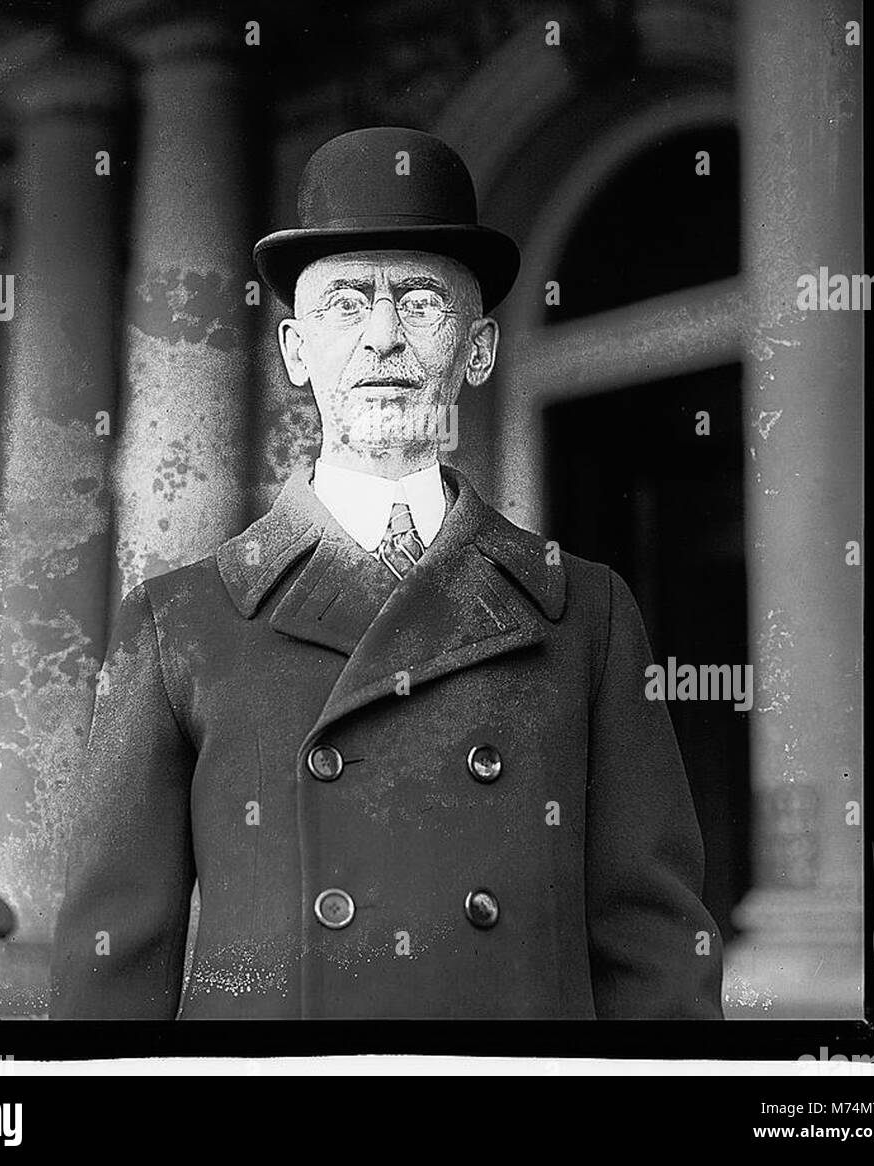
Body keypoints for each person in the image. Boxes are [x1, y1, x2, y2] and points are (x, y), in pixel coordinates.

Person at [50, 126, 724, 1019]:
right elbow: (113, 965)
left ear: (477, 350)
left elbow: (654, 951)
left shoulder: (586, 611)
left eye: (419, 303)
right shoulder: (179, 621)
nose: (381, 339)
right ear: (295, 351)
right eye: (343, 305)